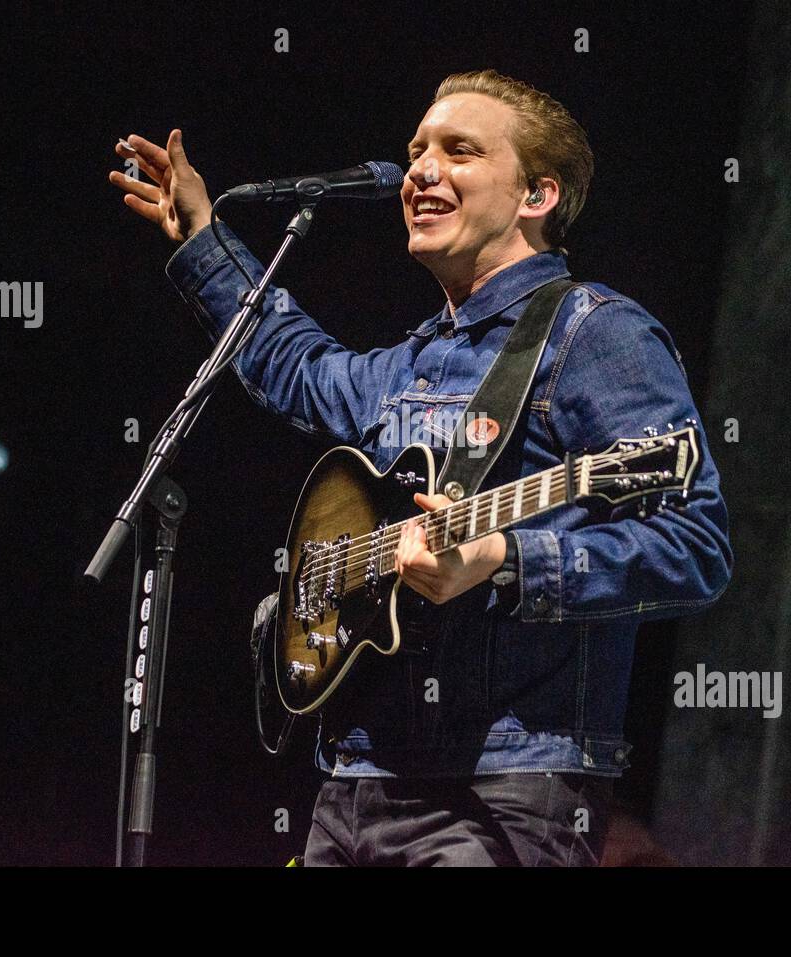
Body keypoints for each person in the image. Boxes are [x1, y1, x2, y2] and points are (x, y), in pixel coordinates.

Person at [109, 69, 733, 866]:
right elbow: (292, 360)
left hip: (504, 790)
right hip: (353, 781)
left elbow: (699, 548)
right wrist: (204, 238)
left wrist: (507, 560)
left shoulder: (596, 334)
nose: (421, 171)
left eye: (459, 151)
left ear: (537, 195)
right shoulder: (415, 359)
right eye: (416, 152)